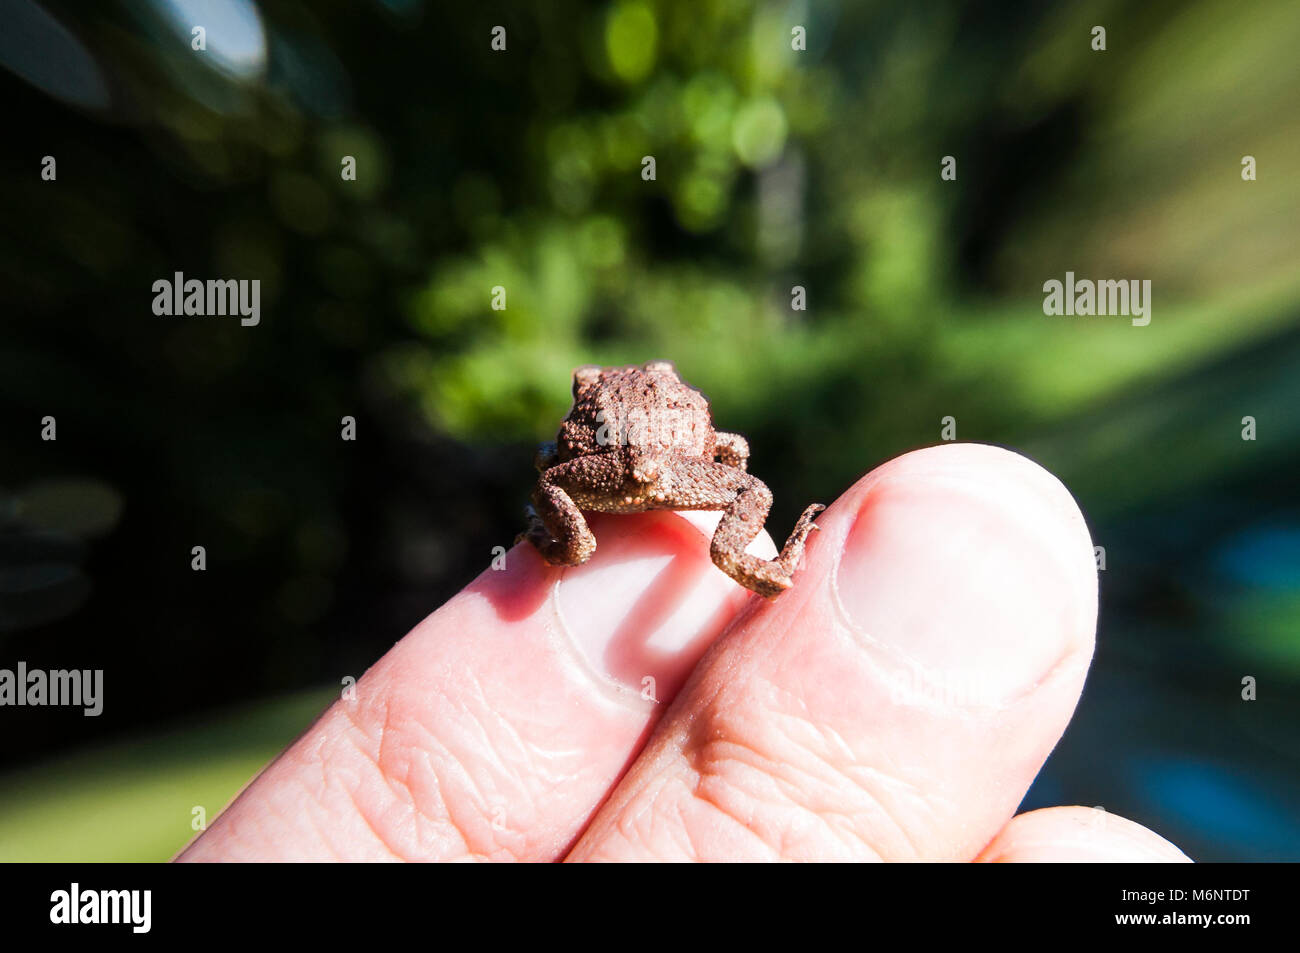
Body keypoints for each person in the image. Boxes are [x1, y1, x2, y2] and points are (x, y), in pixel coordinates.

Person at [178, 444, 1189, 862]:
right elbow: (732, 455)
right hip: (664, 470)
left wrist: (561, 533)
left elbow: (564, 464)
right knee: (733, 508)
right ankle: (767, 568)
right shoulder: (696, 433)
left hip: (611, 483)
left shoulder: (573, 441)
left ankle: (638, 552)